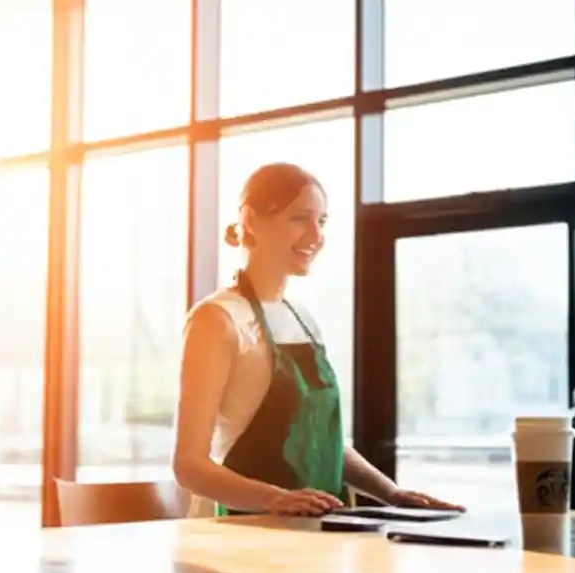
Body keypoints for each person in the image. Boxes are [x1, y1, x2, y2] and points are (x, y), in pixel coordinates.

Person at [173, 162, 465, 517]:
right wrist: (274, 500)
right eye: (299, 218)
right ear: (250, 221)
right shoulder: (216, 319)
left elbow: (322, 443)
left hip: (313, 531)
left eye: (322, 221)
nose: (316, 236)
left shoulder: (303, 319)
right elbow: (189, 465)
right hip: (239, 532)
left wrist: (391, 493)